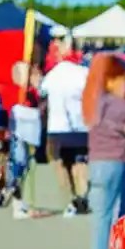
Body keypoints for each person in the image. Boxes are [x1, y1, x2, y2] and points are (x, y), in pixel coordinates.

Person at [83, 54, 125, 249]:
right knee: (122, 212)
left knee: (101, 214)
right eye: (124, 80)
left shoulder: (93, 101)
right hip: (118, 159)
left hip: (97, 160)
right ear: (111, 80)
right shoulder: (120, 105)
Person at [40, 59, 92, 216]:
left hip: (56, 128)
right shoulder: (84, 73)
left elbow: (42, 96)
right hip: (81, 127)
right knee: (80, 163)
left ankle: (70, 199)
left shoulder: (52, 75)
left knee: (60, 164)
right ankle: (82, 197)